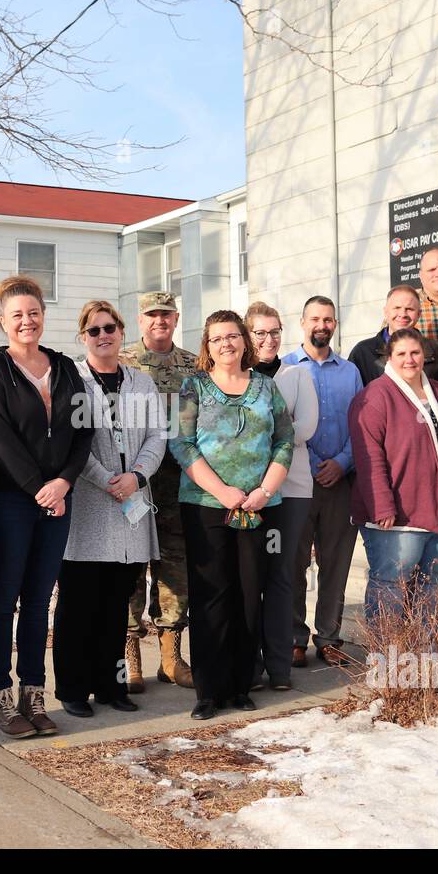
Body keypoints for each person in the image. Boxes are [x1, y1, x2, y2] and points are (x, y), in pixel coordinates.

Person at [0, 275, 92, 738]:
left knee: (40, 601)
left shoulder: (64, 367)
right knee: (3, 601)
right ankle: (1, 699)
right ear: (3, 320)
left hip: (58, 500)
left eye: (34, 312)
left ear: (44, 316)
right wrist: (36, 488)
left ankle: (34, 695)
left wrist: (63, 482)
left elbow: (84, 430)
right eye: (17, 314)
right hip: (8, 501)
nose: (27, 321)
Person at [171, 310, 294, 720]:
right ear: (207, 346)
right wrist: (223, 491)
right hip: (207, 505)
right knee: (211, 595)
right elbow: (182, 445)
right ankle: (209, 689)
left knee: (247, 592)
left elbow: (284, 442)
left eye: (232, 336)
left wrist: (264, 491)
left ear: (245, 341)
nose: (226, 344)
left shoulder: (265, 387)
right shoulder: (194, 387)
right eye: (216, 338)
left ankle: (241, 684)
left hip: (257, 509)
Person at [54, 301, 167, 716]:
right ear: (83, 337)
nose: (103, 336)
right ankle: (72, 689)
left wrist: (136, 477)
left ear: (121, 332)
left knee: (116, 606)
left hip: (131, 506)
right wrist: (107, 480)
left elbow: (158, 436)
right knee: (78, 605)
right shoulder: (72, 382)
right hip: (88, 507)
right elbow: (68, 444)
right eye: (94, 330)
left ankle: (110, 686)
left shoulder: (142, 384)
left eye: (109, 328)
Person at [349, 328, 438, 627]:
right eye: (401, 354)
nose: (409, 360)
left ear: (425, 355)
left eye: (415, 352)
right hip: (397, 512)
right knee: (390, 583)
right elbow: (368, 455)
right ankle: (387, 657)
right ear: (389, 357)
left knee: (429, 581)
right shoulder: (374, 396)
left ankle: (424, 654)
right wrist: (382, 506)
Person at [118, 291, 197, 692]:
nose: (159, 320)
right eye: (152, 314)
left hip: (178, 481)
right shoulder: (123, 361)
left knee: (174, 562)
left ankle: (171, 655)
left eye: (166, 314)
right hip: (135, 478)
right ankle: (130, 655)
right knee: (132, 562)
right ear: (140, 319)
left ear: (176, 318)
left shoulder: (194, 365)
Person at [282, 296, 363, 666]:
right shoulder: (285, 369)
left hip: (340, 482)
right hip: (298, 482)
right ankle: (295, 637)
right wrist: (314, 464)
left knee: (336, 563)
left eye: (328, 319)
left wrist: (342, 462)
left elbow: (359, 424)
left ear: (334, 324)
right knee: (294, 563)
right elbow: (284, 424)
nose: (321, 325)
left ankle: (329, 637)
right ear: (302, 322)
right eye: (315, 318)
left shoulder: (350, 372)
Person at [247, 301, 318, 689]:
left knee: (283, 574)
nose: (269, 339)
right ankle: (250, 660)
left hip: (290, 489)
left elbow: (304, 429)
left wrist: (253, 436)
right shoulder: (236, 376)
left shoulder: (297, 376)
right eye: (260, 332)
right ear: (247, 334)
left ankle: (279, 664)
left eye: (275, 331)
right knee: (249, 575)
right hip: (245, 492)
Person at [348, 284, 438, 386]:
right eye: (397, 308)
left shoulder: (436, 351)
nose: (403, 314)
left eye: (409, 309)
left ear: (419, 314)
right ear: (386, 312)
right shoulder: (362, 352)